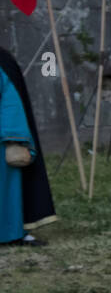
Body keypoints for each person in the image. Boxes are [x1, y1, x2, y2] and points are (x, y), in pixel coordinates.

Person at [0, 46, 55, 245]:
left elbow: (11, 101)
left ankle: (9, 232)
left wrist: (13, 136)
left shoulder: (2, 61)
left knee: (6, 190)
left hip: (3, 140)